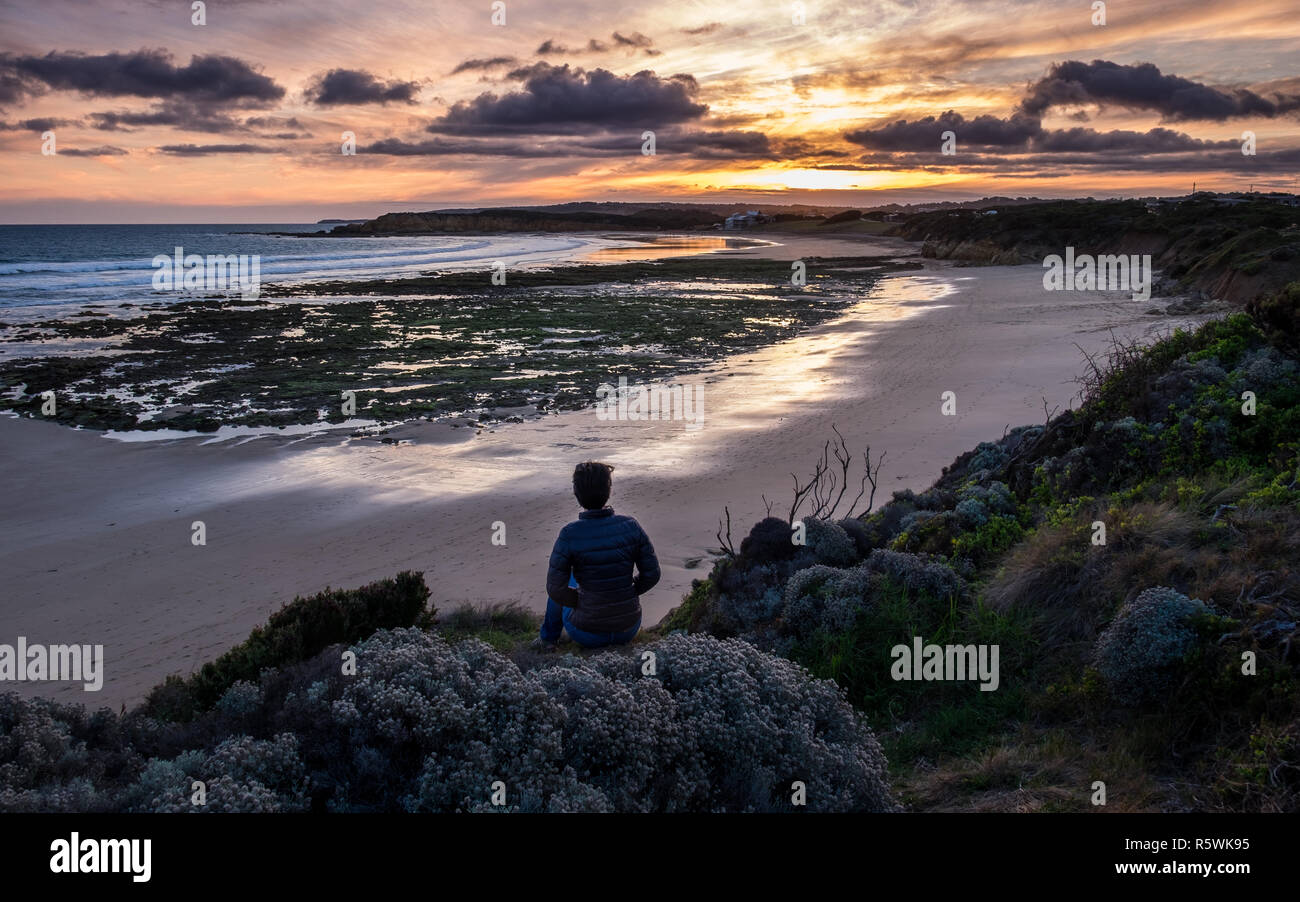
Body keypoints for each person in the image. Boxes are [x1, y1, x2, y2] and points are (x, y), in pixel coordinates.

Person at [534, 460, 660, 650]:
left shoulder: (569, 534)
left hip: (587, 633)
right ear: (608, 490)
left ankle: (548, 639)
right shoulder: (631, 526)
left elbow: (556, 590)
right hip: (628, 627)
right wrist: (630, 590)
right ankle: (550, 638)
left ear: (577, 494)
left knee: (563, 581)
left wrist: (582, 602)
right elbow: (652, 574)